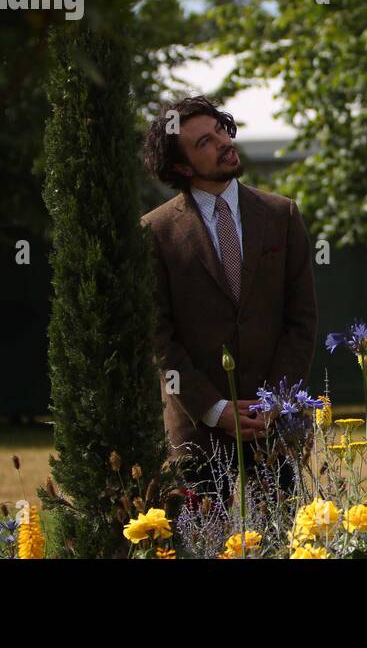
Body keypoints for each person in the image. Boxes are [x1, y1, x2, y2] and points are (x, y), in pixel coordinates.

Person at [140, 96, 317, 501]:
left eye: (221, 129)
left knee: (284, 542)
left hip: (273, 424)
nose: (222, 141)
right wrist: (213, 409)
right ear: (182, 167)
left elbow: (301, 321)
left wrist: (276, 400)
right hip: (195, 428)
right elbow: (157, 338)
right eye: (204, 141)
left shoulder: (282, 215)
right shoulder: (155, 232)